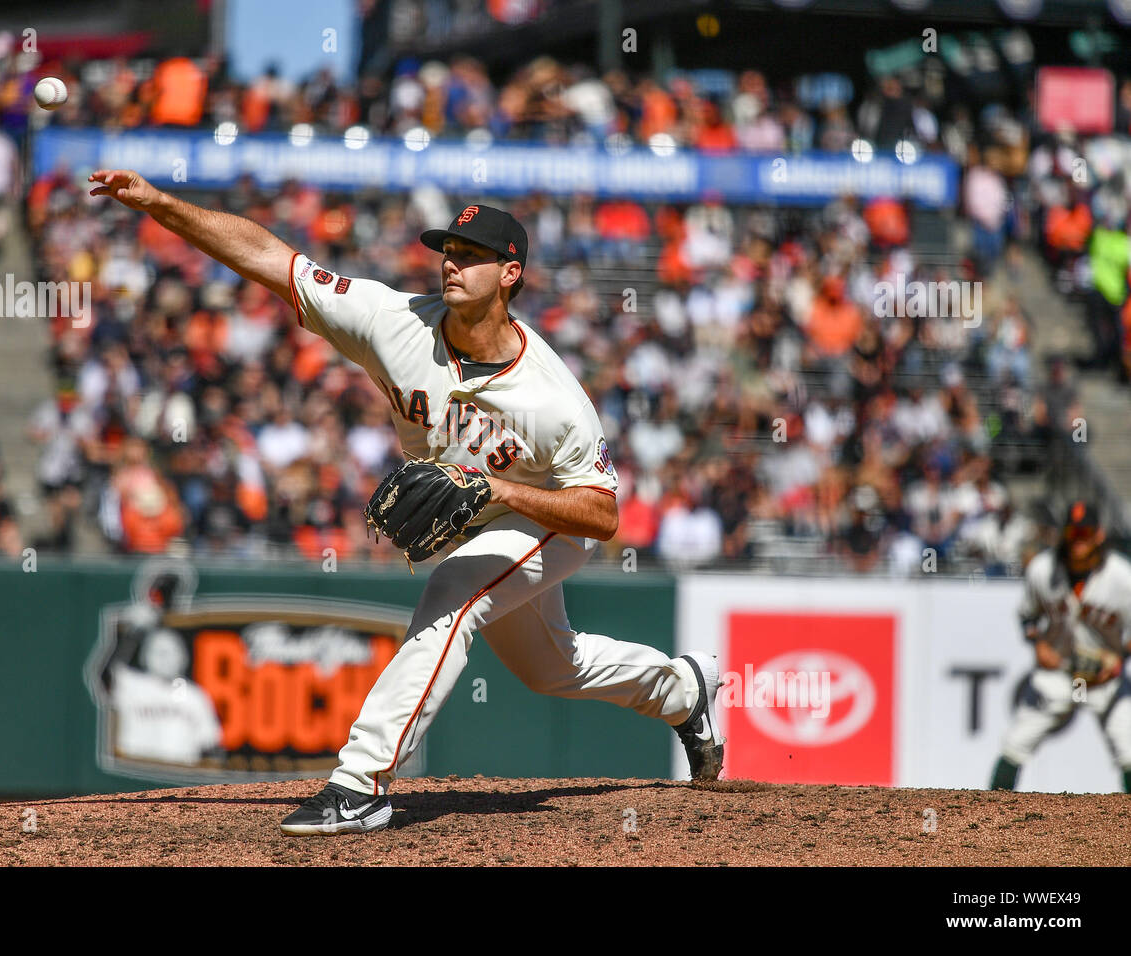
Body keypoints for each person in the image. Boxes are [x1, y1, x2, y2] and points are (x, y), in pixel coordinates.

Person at [87, 169, 725, 835]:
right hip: (475, 516)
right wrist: (161, 204)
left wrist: (499, 489)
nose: (451, 263)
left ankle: (361, 784)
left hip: (543, 516)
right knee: (550, 667)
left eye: (471, 255)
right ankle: (685, 690)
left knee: (455, 592)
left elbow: (602, 515)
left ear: (510, 274)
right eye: (448, 250)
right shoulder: (394, 323)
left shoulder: (555, 399)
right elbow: (272, 260)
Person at [989, 501, 1131, 793]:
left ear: (1099, 534)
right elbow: (1027, 617)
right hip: (1059, 673)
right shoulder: (1043, 570)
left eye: (1085, 531)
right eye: (1073, 531)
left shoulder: (1121, 577)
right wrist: (1037, 643)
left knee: (1128, 749)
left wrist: (1119, 659)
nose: (1079, 539)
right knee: (1015, 745)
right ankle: (988, 821)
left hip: (1105, 678)